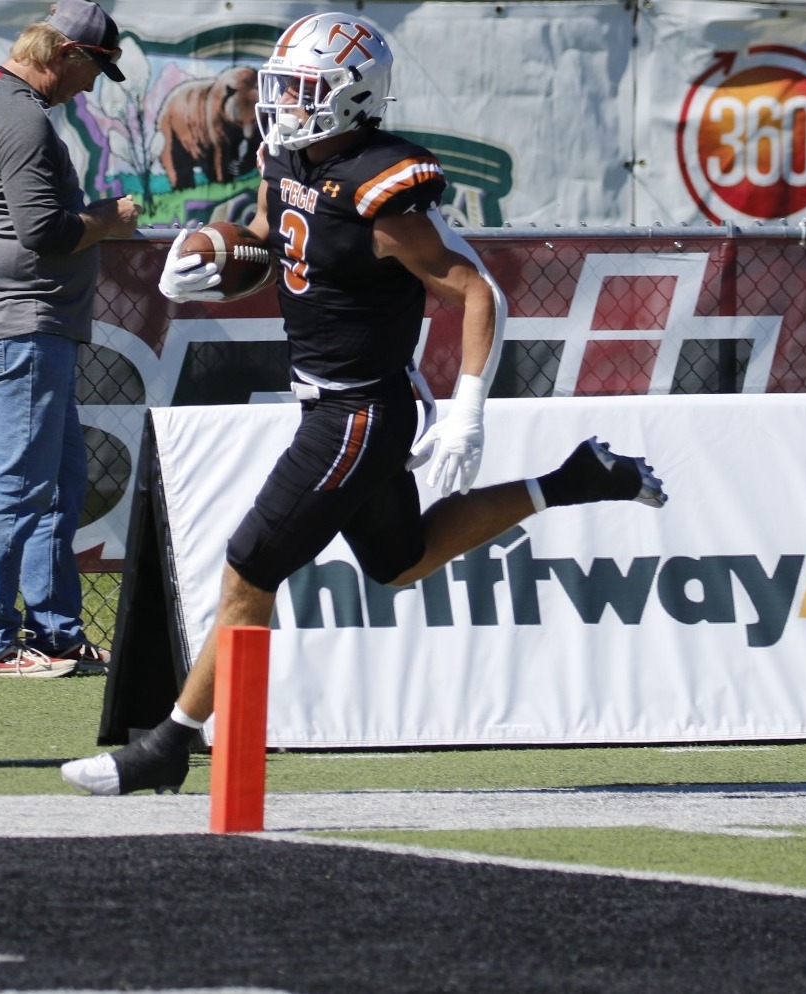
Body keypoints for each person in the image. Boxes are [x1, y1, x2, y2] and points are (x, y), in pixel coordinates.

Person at [60, 12, 669, 795]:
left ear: (353, 98)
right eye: (283, 86)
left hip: (355, 416)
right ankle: (576, 479)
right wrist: (216, 267)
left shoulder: (383, 195)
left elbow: (474, 291)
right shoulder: (286, 157)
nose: (284, 103)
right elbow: (270, 243)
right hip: (341, 407)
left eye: (305, 88)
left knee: (249, 570)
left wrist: (468, 408)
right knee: (400, 559)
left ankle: (169, 745)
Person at [0, 0, 140, 678]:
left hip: (30, 325)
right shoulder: (21, 116)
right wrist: (107, 218)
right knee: (16, 486)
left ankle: (55, 632)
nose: (90, 88)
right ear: (64, 54)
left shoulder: (7, 102)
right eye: (92, 70)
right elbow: (45, 233)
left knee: (58, 481)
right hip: (18, 323)